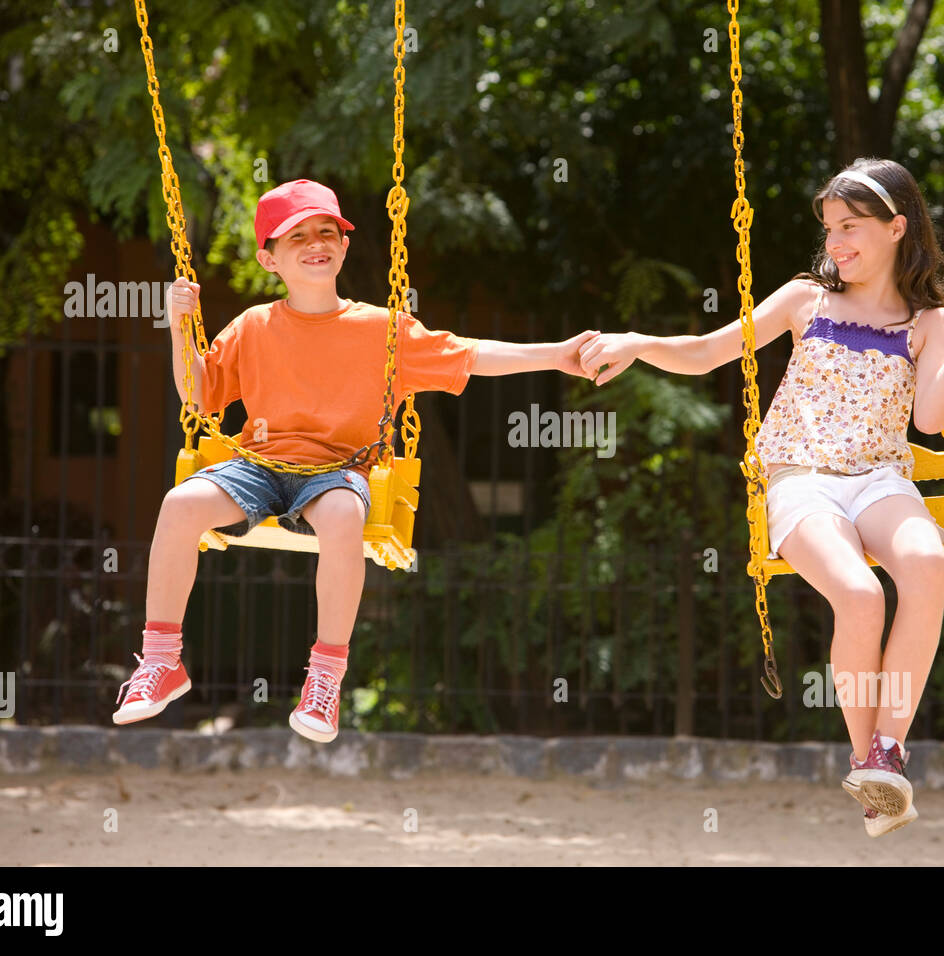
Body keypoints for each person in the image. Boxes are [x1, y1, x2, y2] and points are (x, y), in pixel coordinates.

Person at [578, 158, 944, 836]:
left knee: (926, 564)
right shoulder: (807, 299)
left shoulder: (929, 323)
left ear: (897, 228)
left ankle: (887, 750)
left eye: (850, 227)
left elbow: (929, 420)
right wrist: (642, 344)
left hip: (881, 480)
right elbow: (713, 351)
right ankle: (871, 764)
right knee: (860, 596)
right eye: (830, 228)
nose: (835, 243)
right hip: (802, 479)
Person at [114, 178, 598, 742]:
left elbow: (470, 355)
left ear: (344, 247)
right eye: (297, 236)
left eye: (327, 231)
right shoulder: (253, 326)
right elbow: (197, 396)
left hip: (341, 469)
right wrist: (179, 328)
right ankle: (162, 660)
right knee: (179, 503)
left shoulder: (383, 330)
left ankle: (325, 678)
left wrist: (558, 356)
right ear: (269, 258)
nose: (315, 242)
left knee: (344, 517)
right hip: (259, 464)